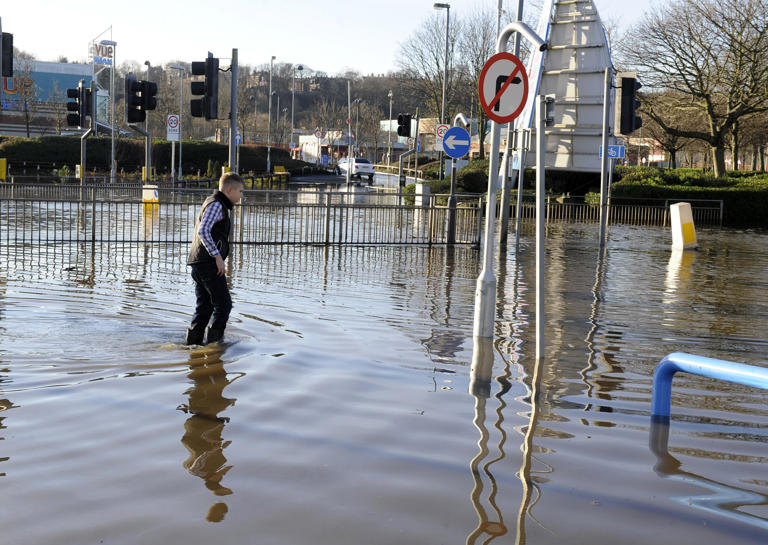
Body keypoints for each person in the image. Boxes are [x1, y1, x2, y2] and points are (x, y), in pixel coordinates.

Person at [185, 172, 244, 345]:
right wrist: (217, 256)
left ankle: (193, 346)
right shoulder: (217, 205)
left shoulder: (213, 203)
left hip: (199, 263)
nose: (242, 195)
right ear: (229, 189)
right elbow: (203, 231)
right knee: (224, 304)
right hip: (207, 264)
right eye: (240, 191)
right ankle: (214, 348)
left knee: (205, 307)